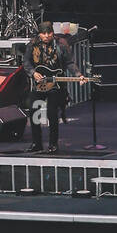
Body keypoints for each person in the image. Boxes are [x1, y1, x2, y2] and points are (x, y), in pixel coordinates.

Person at [26, 22, 87, 154]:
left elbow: (70, 62)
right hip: (39, 84)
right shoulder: (32, 44)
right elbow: (26, 62)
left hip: (56, 84)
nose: (47, 36)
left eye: (49, 33)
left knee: (52, 114)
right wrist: (33, 73)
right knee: (34, 112)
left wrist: (78, 75)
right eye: (44, 33)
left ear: (53, 33)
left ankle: (53, 144)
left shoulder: (61, 44)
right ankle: (37, 143)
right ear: (39, 34)